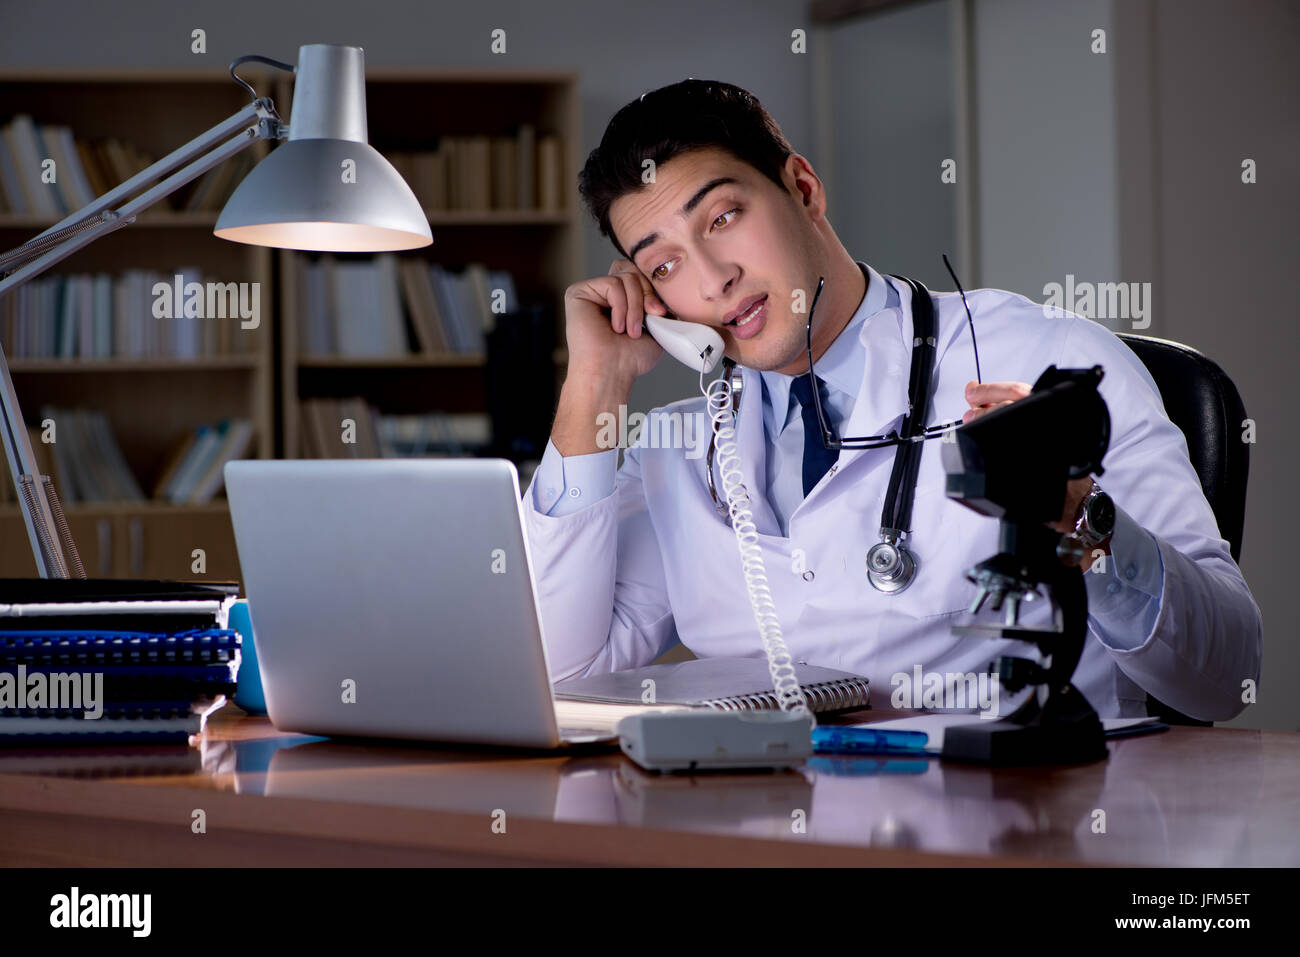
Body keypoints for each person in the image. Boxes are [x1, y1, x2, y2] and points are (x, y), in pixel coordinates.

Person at [522, 79, 1261, 722]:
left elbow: (1228, 673)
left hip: (1025, 831)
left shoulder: (1043, 360)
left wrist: (1078, 520)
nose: (713, 278)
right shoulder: (686, 451)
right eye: (666, 264)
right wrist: (596, 382)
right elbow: (556, 677)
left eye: (722, 218)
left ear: (803, 189)